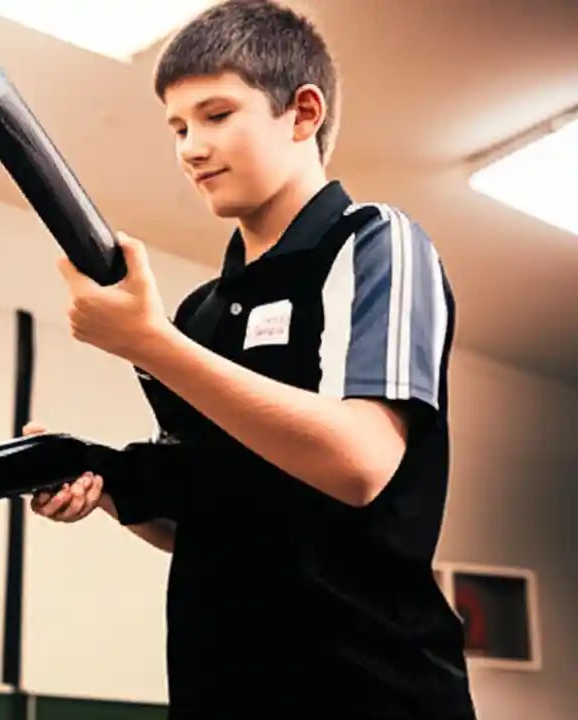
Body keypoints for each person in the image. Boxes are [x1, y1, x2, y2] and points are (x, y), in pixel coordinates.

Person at [27, 1, 476, 718]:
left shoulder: (374, 243)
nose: (190, 148)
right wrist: (105, 488)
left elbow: (359, 464)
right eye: (177, 127)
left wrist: (149, 345)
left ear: (302, 114)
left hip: (373, 693)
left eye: (215, 114)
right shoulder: (197, 316)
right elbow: (202, 522)